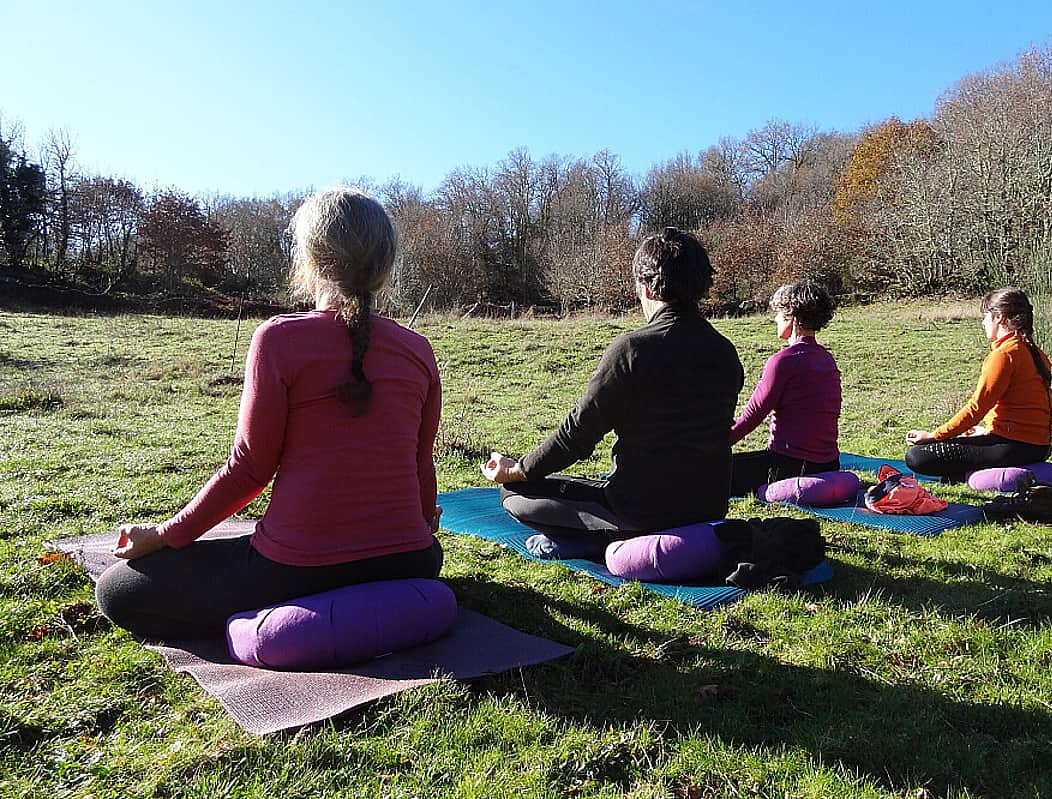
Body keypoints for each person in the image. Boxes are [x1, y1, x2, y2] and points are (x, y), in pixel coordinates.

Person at [95, 187, 444, 640]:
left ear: (311, 263)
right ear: (384, 267)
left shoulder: (278, 338)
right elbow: (421, 462)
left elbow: (249, 471)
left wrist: (165, 535)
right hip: (412, 561)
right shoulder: (419, 350)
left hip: (295, 566)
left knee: (117, 590)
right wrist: (419, 522)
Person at [480, 227, 744, 556]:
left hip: (640, 512)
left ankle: (600, 543)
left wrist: (518, 470)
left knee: (514, 496)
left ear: (645, 288)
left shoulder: (633, 349)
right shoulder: (726, 352)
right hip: (709, 510)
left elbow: (577, 434)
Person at [904, 286, 1052, 481]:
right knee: (968, 440)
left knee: (917, 456)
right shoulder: (1034, 352)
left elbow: (976, 408)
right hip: (1040, 448)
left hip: (1014, 447)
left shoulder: (1004, 355)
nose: (983, 322)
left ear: (999, 317)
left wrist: (934, 436)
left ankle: (980, 476)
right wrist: (987, 430)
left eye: (985, 316)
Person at [729, 280, 842, 496]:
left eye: (779, 314)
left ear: (792, 318)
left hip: (789, 464)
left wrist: (715, 447)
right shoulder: (826, 359)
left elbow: (754, 414)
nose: (775, 319)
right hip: (829, 464)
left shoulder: (783, 360)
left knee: (713, 472)